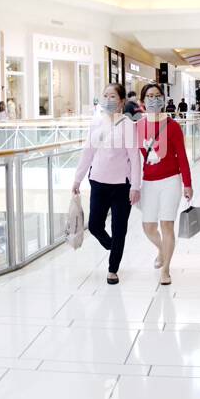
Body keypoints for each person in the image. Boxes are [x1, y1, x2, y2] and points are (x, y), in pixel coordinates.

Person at [73, 84, 142, 285]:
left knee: (119, 228)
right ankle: (113, 246)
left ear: (121, 101)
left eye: (113, 96)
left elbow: (134, 158)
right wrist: (78, 178)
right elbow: (88, 153)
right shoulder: (96, 123)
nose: (108, 100)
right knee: (94, 225)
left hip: (122, 185)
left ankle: (113, 269)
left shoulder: (128, 125)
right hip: (98, 182)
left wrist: (135, 186)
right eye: (105, 96)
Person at [137, 83, 193, 286]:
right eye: (149, 96)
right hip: (147, 182)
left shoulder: (173, 126)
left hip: (171, 181)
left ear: (163, 99)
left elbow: (182, 158)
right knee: (148, 226)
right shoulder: (138, 126)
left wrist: (188, 183)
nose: (153, 99)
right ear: (143, 102)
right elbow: (134, 159)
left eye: (157, 95)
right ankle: (161, 249)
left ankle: (166, 269)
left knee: (166, 224)